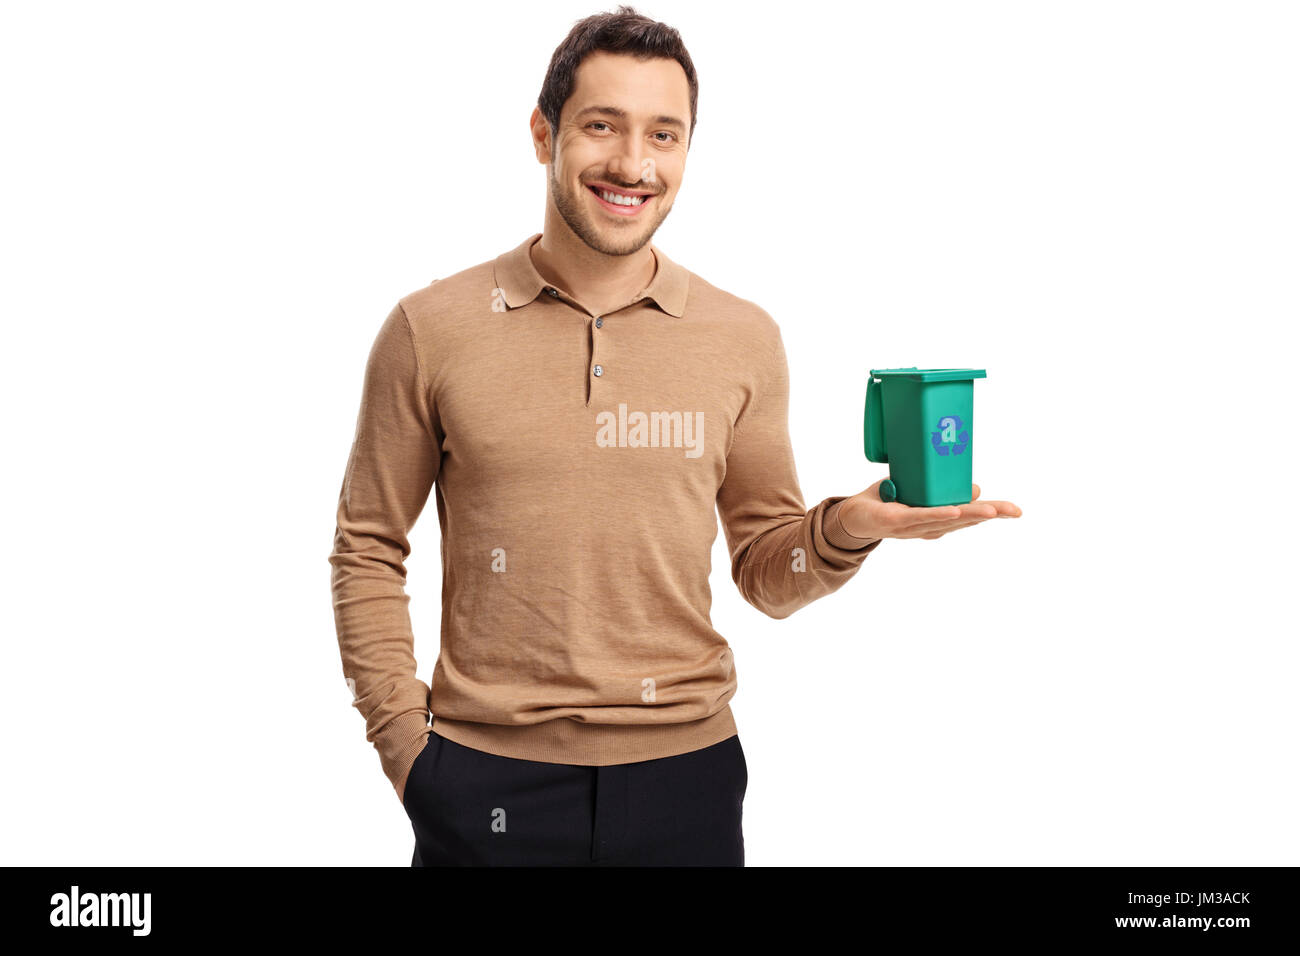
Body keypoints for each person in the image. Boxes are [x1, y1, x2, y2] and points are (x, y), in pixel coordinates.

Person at [327, 5, 1021, 867]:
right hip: (484, 784)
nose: (632, 163)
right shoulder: (431, 329)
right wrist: (408, 753)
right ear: (543, 136)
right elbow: (366, 546)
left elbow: (768, 573)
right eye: (601, 127)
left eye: (665, 135)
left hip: (687, 781)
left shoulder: (741, 337)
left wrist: (846, 530)